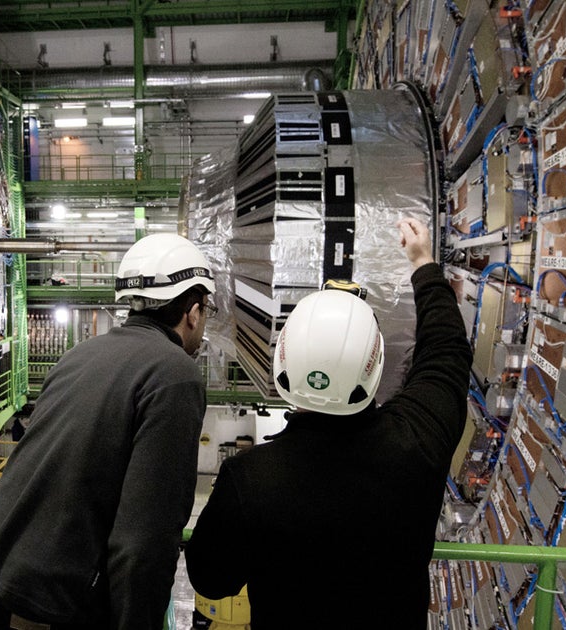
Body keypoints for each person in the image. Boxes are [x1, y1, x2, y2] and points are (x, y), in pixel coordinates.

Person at [184, 217, 471, 629]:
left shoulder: (249, 480)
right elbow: (447, 353)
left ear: (282, 363)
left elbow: (211, 579)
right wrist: (422, 262)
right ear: (374, 365)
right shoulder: (418, 441)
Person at [0, 232, 216, 630]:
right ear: (192, 310)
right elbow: (145, 539)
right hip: (50, 601)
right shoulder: (175, 375)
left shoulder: (80, 353)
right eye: (206, 310)